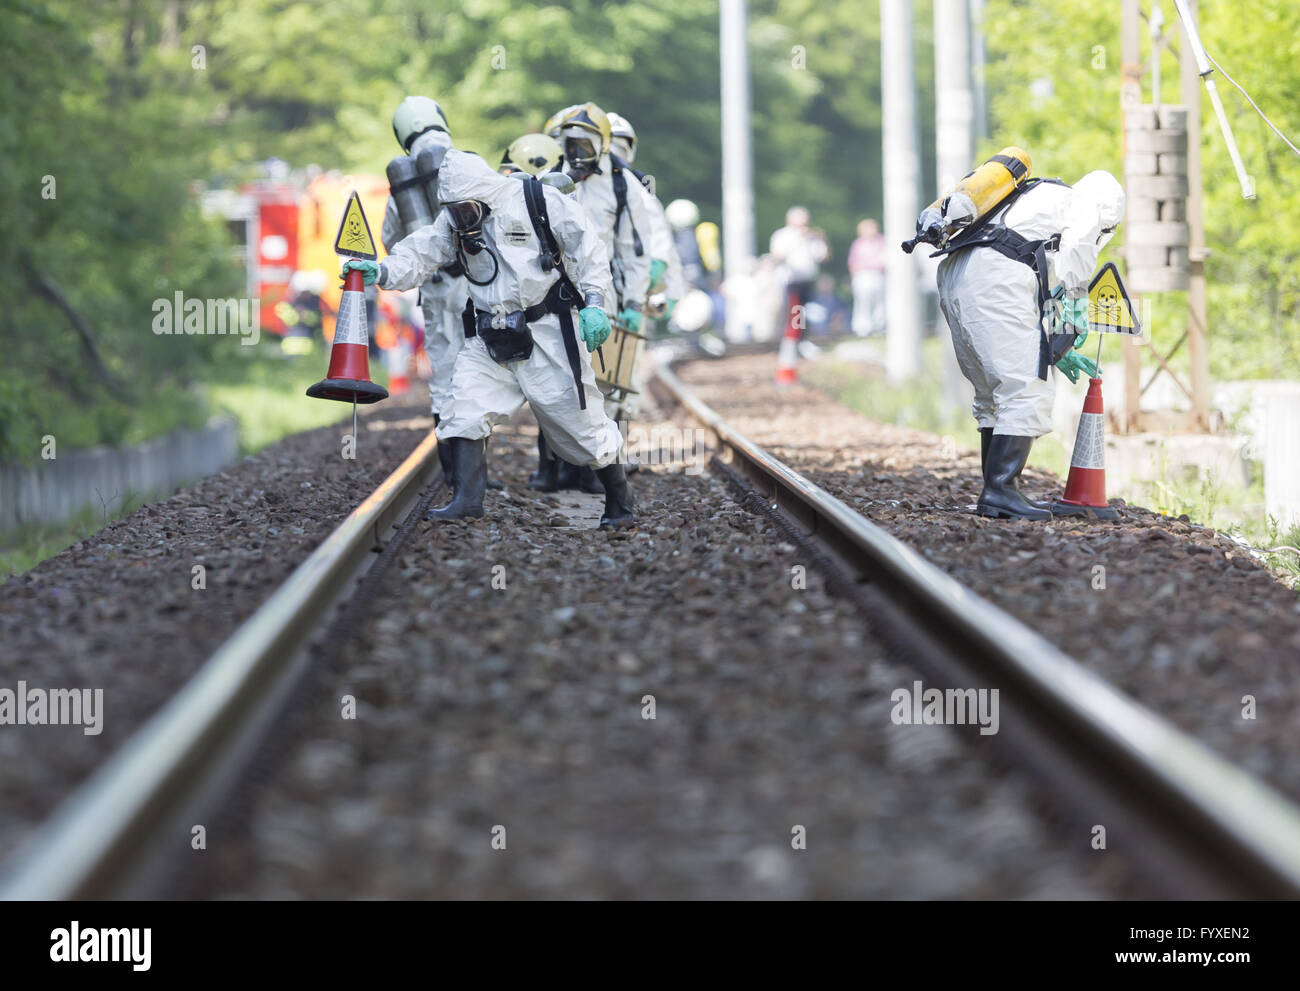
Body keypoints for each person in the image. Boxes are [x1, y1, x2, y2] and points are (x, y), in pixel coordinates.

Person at [343, 150, 636, 529]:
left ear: (483, 194)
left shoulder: (537, 201)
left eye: (465, 207)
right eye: (454, 209)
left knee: (580, 429)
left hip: (549, 332)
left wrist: (595, 303)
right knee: (464, 405)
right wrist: (382, 271)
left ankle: (620, 501)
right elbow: (422, 252)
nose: (461, 216)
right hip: (491, 335)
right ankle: (466, 500)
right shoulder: (455, 220)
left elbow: (589, 251)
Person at [931, 169, 1124, 520]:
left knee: (994, 391)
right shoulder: (1088, 205)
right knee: (1027, 390)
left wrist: (1057, 344)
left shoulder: (1037, 198)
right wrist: (1078, 301)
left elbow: (1034, 286)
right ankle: (1002, 491)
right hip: (994, 278)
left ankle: (997, 492)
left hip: (958, 272)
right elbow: (1076, 255)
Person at [380, 96, 466, 428]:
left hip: (435, 291)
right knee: (481, 378)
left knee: (445, 380)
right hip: (478, 287)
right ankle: (478, 474)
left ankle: (456, 472)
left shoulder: (401, 186)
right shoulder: (464, 162)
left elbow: (391, 242)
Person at [769, 206, 829, 340]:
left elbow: (822, 256)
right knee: (795, 312)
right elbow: (777, 256)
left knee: (803, 312)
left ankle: (801, 339)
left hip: (807, 280)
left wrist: (821, 239)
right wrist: (797, 239)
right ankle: (791, 340)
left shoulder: (811, 237)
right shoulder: (782, 236)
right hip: (790, 280)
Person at [847, 218, 887, 337]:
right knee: (862, 301)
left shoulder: (882, 241)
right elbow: (852, 263)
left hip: (878, 274)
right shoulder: (858, 244)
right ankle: (862, 327)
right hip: (862, 275)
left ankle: (879, 326)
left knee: (880, 302)